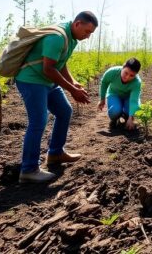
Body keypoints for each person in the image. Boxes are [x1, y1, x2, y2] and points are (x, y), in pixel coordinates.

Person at [15, 11, 98, 183]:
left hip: (47, 80)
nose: (88, 36)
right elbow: (49, 68)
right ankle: (28, 169)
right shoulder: (57, 37)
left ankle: (55, 153)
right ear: (77, 24)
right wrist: (71, 90)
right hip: (32, 80)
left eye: (91, 33)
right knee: (38, 121)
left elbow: (61, 63)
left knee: (64, 111)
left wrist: (73, 83)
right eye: (87, 31)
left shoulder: (72, 38)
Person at [97, 58, 142, 131]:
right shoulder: (112, 72)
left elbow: (134, 100)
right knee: (115, 111)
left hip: (129, 97)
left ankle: (126, 116)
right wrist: (102, 99)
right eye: (126, 73)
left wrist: (131, 118)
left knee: (135, 110)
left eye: (132, 75)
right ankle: (115, 119)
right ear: (123, 67)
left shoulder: (137, 82)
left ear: (136, 75)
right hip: (114, 94)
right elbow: (104, 83)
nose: (127, 77)